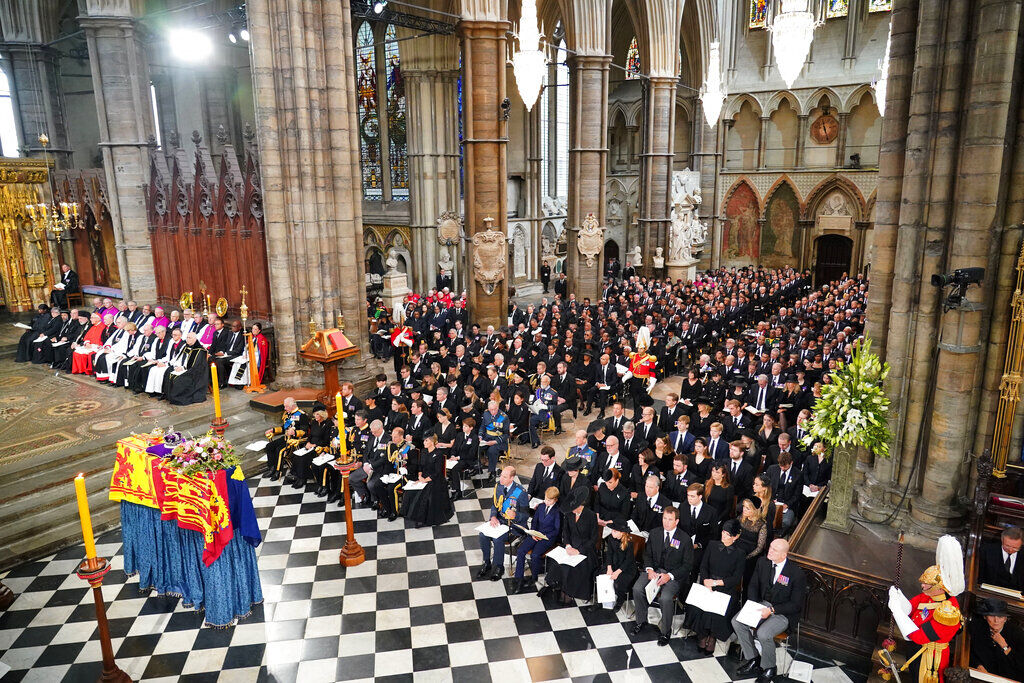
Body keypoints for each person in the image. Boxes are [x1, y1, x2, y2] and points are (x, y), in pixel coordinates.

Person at [732, 539, 807, 683]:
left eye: (774, 550)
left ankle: (770, 667)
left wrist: (772, 610)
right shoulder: (762, 562)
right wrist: (753, 605)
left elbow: (795, 605)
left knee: (763, 633)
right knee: (737, 622)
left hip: (783, 612)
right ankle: (753, 658)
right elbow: (753, 585)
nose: (770, 551)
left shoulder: (796, 574)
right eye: (770, 547)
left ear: (784, 555)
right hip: (763, 604)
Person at [631, 506, 694, 646]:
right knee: (637, 588)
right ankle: (641, 621)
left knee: (665, 598)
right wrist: (649, 570)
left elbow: (687, 566)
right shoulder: (654, 533)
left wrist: (669, 576)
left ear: (676, 521)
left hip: (673, 575)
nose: (666, 522)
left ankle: (665, 632)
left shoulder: (685, 539)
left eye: (670, 519)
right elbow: (647, 554)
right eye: (664, 518)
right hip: (654, 571)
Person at [690, 519, 745, 655]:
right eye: (723, 532)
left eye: (728, 534)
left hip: (725, 587)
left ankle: (713, 637)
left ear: (736, 537)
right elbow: (703, 566)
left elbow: (736, 578)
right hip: (707, 583)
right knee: (697, 607)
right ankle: (702, 636)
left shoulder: (740, 554)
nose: (724, 536)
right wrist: (705, 581)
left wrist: (716, 583)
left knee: (716, 610)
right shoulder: (712, 545)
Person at [541, 486, 599, 605]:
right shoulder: (569, 514)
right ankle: (558, 586)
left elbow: (593, 539)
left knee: (575, 568)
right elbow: (566, 532)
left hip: (585, 550)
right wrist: (567, 546)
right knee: (557, 562)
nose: (572, 511)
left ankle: (572, 592)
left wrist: (579, 551)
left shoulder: (591, 515)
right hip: (570, 546)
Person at [477, 466, 528, 581]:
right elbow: (494, 505)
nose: (501, 479)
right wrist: (493, 516)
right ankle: (487, 562)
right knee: (482, 535)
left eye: (505, 477)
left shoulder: (521, 492)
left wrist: (515, 515)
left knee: (497, 539)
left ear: (512, 478)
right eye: (501, 475)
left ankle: (498, 567)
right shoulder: (498, 486)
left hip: (514, 526)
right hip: (499, 522)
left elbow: (525, 515)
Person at [511, 486, 561, 594]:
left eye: (549, 500)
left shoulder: (557, 511)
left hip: (547, 538)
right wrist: (533, 532)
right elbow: (534, 521)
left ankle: (534, 577)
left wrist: (543, 535)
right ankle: (518, 579)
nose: (546, 501)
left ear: (555, 500)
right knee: (520, 551)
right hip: (535, 534)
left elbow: (556, 530)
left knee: (535, 555)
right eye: (546, 499)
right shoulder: (541, 507)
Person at [402, 434, 454, 527]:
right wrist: (420, 476)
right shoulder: (424, 451)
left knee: (425, 494)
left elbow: (437, 472)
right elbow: (420, 466)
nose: (424, 443)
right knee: (411, 491)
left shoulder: (438, 454)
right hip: (423, 477)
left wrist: (425, 480)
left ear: (432, 442)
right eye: (424, 441)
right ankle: (409, 513)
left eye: (426, 441)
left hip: (435, 479)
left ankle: (422, 518)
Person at [969, 598, 1024, 677]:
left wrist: (1005, 646)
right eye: (991, 616)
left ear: (1005, 619)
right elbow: (969, 651)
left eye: (1000, 616)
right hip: (982, 675)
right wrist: (978, 665)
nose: (996, 620)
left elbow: (1021, 665)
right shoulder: (977, 627)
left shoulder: (1017, 633)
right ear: (985, 617)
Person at [592, 519, 639, 613]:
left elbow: (628, 561)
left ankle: (620, 600)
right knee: (602, 575)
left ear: (622, 533)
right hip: (613, 564)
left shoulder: (629, 543)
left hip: (625, 568)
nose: (612, 533)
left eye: (615, 531)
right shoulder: (611, 538)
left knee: (618, 581)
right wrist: (609, 567)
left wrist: (617, 572)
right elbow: (609, 553)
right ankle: (602, 599)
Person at [264, 397, 310, 481]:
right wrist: (273, 430)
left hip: (294, 441)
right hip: (285, 438)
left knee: (279, 450)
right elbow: (284, 428)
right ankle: (272, 468)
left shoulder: (302, 415)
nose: (284, 409)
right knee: (269, 446)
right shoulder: (287, 414)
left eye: (286, 406)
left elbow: (305, 431)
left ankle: (278, 472)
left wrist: (295, 433)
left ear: (292, 406)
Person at [164, 331, 209, 406]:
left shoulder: (200, 351)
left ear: (195, 339)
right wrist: (177, 366)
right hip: (183, 368)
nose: (187, 339)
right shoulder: (186, 346)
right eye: (187, 337)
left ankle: (176, 398)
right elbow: (179, 358)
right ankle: (169, 396)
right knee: (168, 372)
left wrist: (183, 368)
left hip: (193, 373)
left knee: (178, 379)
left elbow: (197, 366)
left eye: (190, 338)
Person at [979, 526, 1024, 591]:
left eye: (1015, 548)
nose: (1010, 550)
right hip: (990, 592)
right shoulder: (987, 550)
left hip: (1017, 595)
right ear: (1002, 540)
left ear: (1022, 544)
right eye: (1007, 546)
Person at [479, 400, 509, 482]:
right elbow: (482, 427)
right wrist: (480, 436)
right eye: (491, 410)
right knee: (476, 447)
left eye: (494, 409)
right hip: (487, 438)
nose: (492, 411)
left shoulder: (504, 417)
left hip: (499, 441)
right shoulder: (486, 414)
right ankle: (477, 466)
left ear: (498, 408)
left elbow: (506, 434)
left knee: (492, 450)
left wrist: (495, 442)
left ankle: (492, 472)